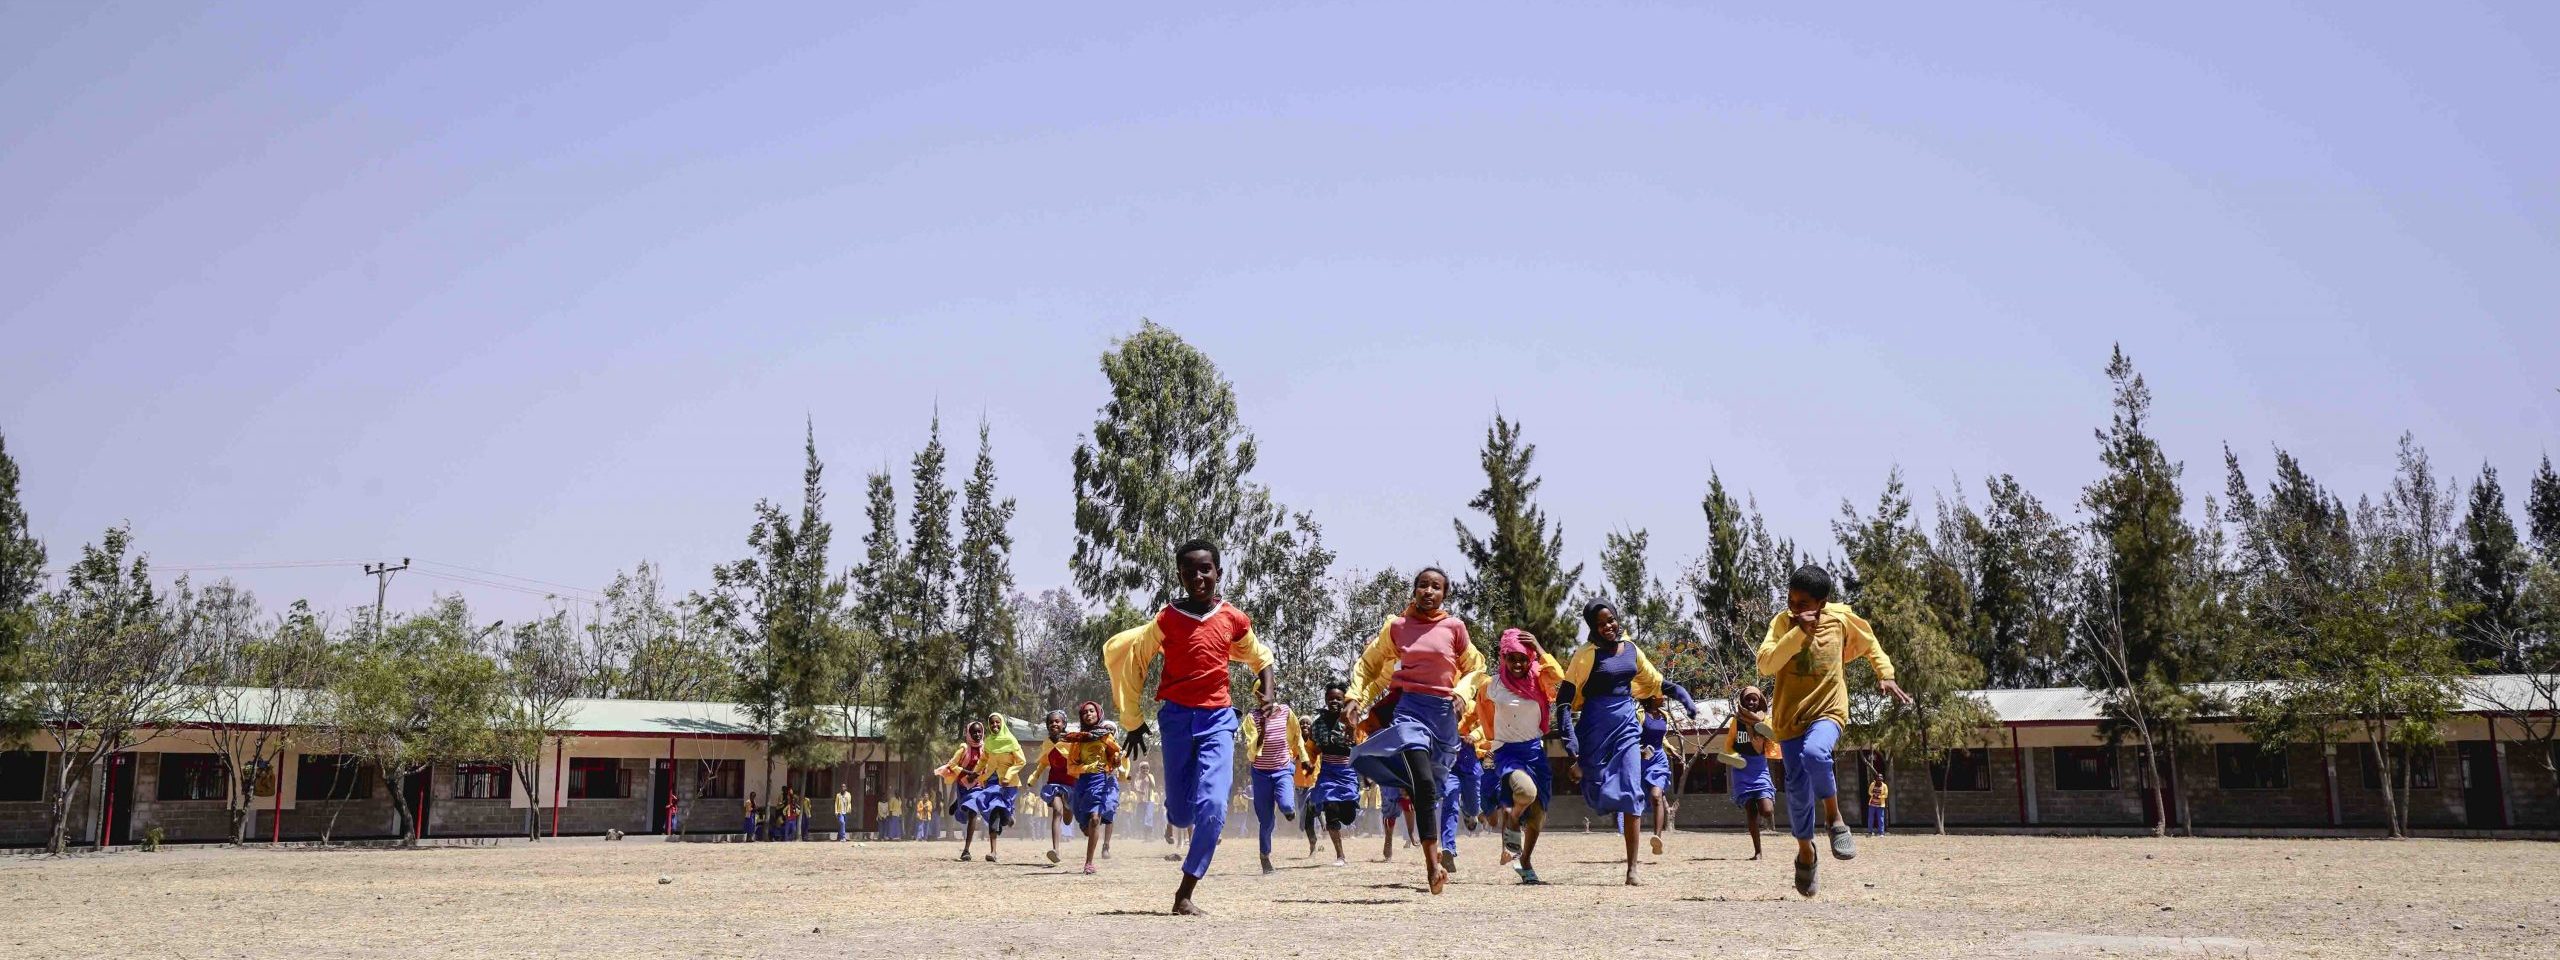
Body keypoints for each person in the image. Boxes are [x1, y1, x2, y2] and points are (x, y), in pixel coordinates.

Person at [1103, 539, 1278, 917]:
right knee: (1181, 815)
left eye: (1205, 569)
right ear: (1180, 576)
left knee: (1214, 807)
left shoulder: (1234, 618)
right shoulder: (1167, 619)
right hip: (1177, 719)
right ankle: (1179, 816)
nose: (1198, 577)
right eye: (1189, 571)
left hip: (1218, 718)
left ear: (1218, 573)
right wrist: (1133, 721)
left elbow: (1259, 656)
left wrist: (1267, 687)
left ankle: (1185, 890)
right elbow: (1136, 662)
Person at [1758, 564, 1912, 897]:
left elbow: (1870, 643)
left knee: (1816, 753)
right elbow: (1766, 664)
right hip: (1788, 717)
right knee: (1797, 791)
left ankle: (1833, 817)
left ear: (1823, 602)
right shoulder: (1783, 623)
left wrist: (1885, 673)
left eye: (1803, 604)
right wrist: (1797, 631)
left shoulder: (1840, 619)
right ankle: (1805, 852)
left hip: (1828, 709)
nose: (1795, 608)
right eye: (1791, 600)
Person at [1347, 567, 1483, 896]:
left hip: (1444, 719)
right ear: (1415, 590)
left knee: (1431, 788)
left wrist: (1463, 695)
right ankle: (1432, 865)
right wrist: (1355, 697)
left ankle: (1430, 846)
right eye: (1423, 585)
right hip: (1410, 713)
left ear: (1444, 594)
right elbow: (1368, 663)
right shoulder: (1397, 627)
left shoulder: (1455, 628)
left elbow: (1475, 667)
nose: (1428, 591)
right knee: (1422, 784)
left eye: (1436, 587)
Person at [1555, 599, 1686, 887]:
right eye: (1601, 624)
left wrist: (1682, 695)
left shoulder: (1631, 649)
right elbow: (1564, 700)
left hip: (1627, 721)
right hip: (1595, 723)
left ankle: (1632, 868)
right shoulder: (1585, 655)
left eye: (1611, 620)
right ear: (1593, 627)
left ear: (1617, 617)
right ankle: (1585, 770)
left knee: (1630, 791)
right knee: (1598, 785)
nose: (1608, 627)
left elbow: (1654, 680)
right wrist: (1570, 742)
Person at [1472, 627, 1563, 883]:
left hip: (1535, 752)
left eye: (1523, 657)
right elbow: (1477, 711)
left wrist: (1539, 645)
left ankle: (1525, 862)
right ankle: (1512, 818)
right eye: (1512, 658)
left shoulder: (1538, 679)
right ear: (1504, 658)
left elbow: (1558, 676)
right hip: (1507, 753)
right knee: (1525, 792)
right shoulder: (1493, 685)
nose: (1518, 663)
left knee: (1538, 816)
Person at [1052, 699, 1126, 874]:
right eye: (1085, 712)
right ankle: (1082, 823)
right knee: (1084, 822)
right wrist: (1087, 768)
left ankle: (1089, 863)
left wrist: (1116, 760)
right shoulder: (1077, 739)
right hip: (1082, 782)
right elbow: (1071, 766)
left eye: (1092, 711)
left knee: (1095, 819)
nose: (1088, 714)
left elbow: (1115, 756)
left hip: (1101, 781)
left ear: (1098, 713)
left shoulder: (1106, 736)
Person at [938, 716, 1026, 862]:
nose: (977, 735)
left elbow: (1019, 761)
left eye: (980, 732)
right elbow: (976, 762)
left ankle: (973, 850)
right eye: (974, 732)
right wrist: (971, 773)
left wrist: (1006, 775)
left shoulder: (1002, 742)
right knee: (988, 810)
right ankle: (1000, 820)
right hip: (970, 784)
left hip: (989, 783)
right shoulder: (970, 747)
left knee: (980, 811)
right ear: (968, 734)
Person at [1241, 696, 1309, 874]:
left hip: (1282, 769)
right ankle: (1265, 857)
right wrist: (1262, 732)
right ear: (1256, 696)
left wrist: (1304, 757)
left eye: (1272, 688)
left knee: (1286, 805)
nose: (1268, 693)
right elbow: (1251, 752)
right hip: (1260, 774)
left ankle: (1288, 810)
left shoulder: (1285, 711)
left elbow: (1297, 735)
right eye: (1263, 691)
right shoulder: (1252, 718)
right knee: (1266, 822)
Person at [1716, 685, 1782, 860]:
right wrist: (1732, 755)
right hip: (1742, 766)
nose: (1751, 702)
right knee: (1751, 813)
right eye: (1748, 699)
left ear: (1759, 701)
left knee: (1767, 810)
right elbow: (1730, 743)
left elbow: (1774, 743)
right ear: (1742, 702)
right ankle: (1758, 851)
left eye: (1754, 699)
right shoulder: (1736, 721)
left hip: (1759, 768)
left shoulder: (1765, 720)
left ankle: (1762, 803)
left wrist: (1766, 742)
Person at [1637, 681, 1700, 856]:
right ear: (1650, 696)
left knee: (1657, 795)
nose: (1663, 697)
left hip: (1658, 758)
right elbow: (1632, 736)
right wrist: (1639, 750)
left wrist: (1672, 750)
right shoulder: (1639, 715)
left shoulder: (1664, 715)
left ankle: (1657, 838)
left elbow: (1661, 738)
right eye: (1659, 694)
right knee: (1637, 799)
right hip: (1640, 759)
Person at [1036, 710, 1079, 864]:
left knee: (1067, 819)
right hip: (1054, 783)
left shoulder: (1071, 741)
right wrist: (1034, 776)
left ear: (1064, 724)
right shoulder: (1047, 743)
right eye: (1051, 722)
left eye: (1057, 721)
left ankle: (1069, 807)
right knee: (1057, 811)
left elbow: (1078, 758)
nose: (1054, 724)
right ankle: (1056, 850)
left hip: (1071, 784)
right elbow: (1043, 762)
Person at [1866, 768, 1890, 837]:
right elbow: (1869, 792)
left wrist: (1879, 796)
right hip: (1872, 804)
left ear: (1882, 779)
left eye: (1881, 778)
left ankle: (1881, 833)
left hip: (1880, 805)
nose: (1879, 779)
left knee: (1880, 819)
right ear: (1876, 778)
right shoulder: (1872, 784)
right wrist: (1873, 795)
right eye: (1878, 777)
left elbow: (1886, 795)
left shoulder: (1884, 786)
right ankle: (1870, 832)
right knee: (1870, 818)